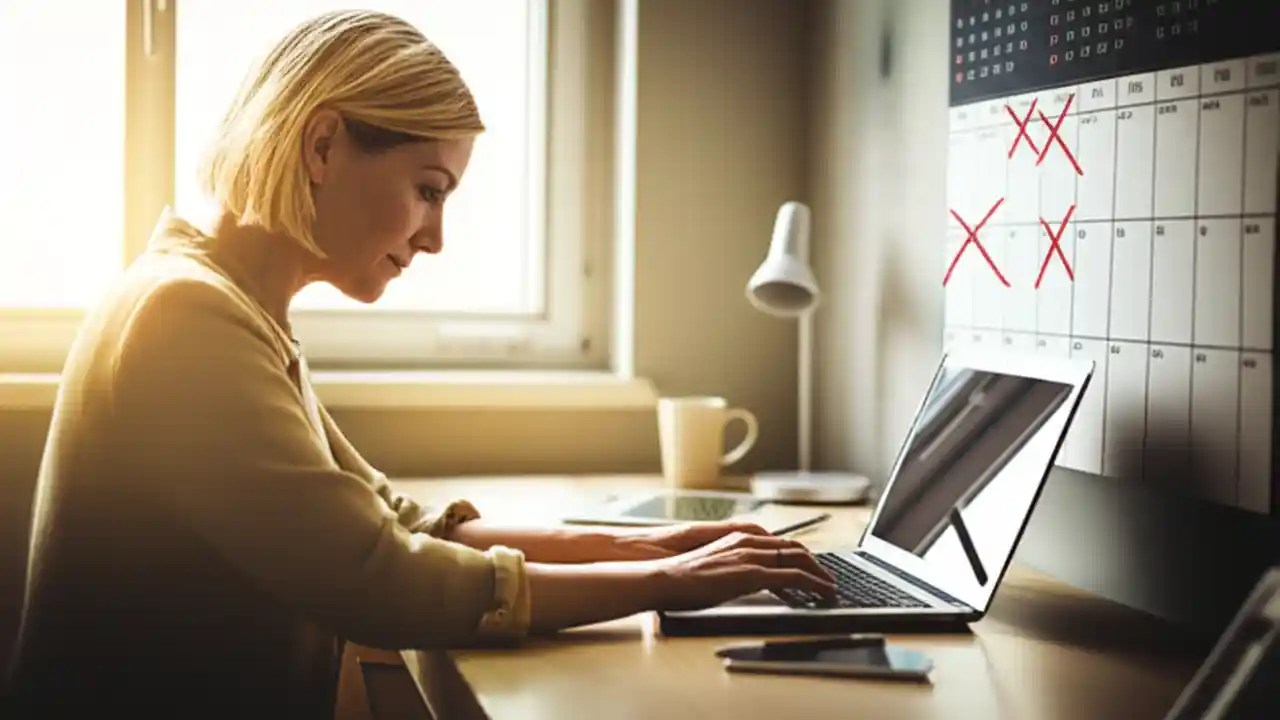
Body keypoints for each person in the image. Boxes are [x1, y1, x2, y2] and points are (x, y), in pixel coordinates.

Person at [3, 10, 835, 718]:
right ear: (323, 145)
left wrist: (658, 546)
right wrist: (661, 581)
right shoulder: (187, 319)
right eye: (429, 190)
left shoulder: (227, 304)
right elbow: (381, 580)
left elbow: (398, 526)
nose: (435, 237)